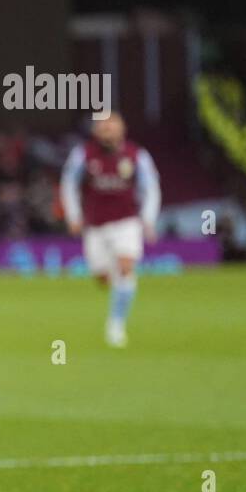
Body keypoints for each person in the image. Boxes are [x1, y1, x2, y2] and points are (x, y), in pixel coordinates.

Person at [60, 112, 161, 348]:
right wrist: (73, 216)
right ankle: (119, 288)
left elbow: (151, 187)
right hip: (95, 227)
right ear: (96, 131)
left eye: (112, 127)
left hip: (127, 222)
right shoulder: (82, 155)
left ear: (122, 129)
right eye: (103, 127)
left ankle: (116, 324)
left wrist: (148, 219)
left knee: (126, 267)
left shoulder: (137, 156)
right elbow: (69, 184)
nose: (108, 131)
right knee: (102, 278)